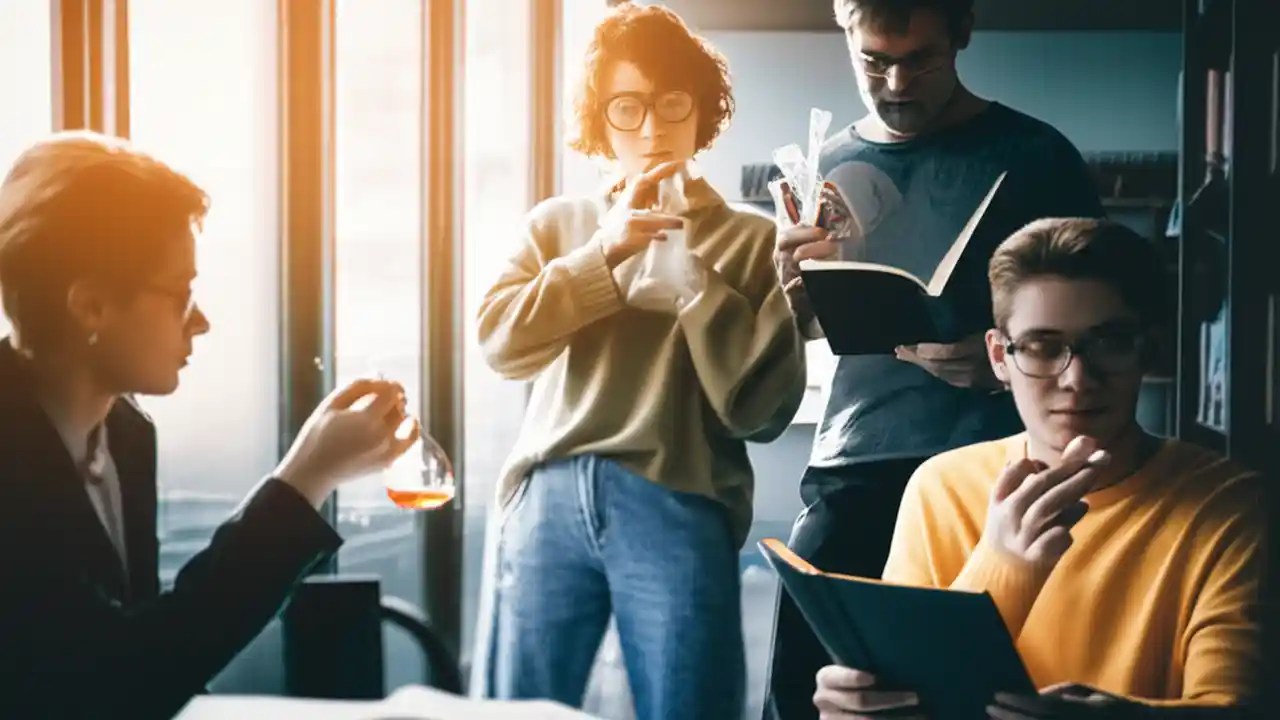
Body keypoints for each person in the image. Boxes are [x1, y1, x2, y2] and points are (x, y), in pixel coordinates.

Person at [0, 131, 420, 719]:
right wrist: (305, 478)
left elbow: (151, 651)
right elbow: (118, 679)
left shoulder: (125, 434)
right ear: (90, 305)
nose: (201, 322)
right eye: (180, 294)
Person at [768, 0, 1105, 715]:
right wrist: (791, 289)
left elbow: (1099, 321)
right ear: (848, 37)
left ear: (962, 36)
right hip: (853, 462)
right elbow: (798, 330)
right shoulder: (825, 165)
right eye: (873, 62)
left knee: (971, 694)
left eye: (920, 59)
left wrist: (1000, 367)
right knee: (809, 695)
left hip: (995, 465)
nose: (894, 84)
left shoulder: (1036, 156)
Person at [475, 4, 806, 719]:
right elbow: (500, 343)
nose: (652, 127)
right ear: (600, 119)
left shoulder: (754, 241)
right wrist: (604, 255)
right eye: (627, 107)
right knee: (512, 711)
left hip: (677, 493)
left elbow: (762, 412)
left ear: (701, 109)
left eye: (671, 102)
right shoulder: (557, 223)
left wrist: (695, 284)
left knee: (690, 708)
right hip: (547, 495)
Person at [813, 218, 1264, 719]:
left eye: (1109, 342)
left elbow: (1237, 707)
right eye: (1042, 347)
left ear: (1148, 351)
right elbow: (908, 692)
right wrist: (859, 706)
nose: (1077, 378)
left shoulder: (1228, 504)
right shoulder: (940, 488)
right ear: (998, 358)